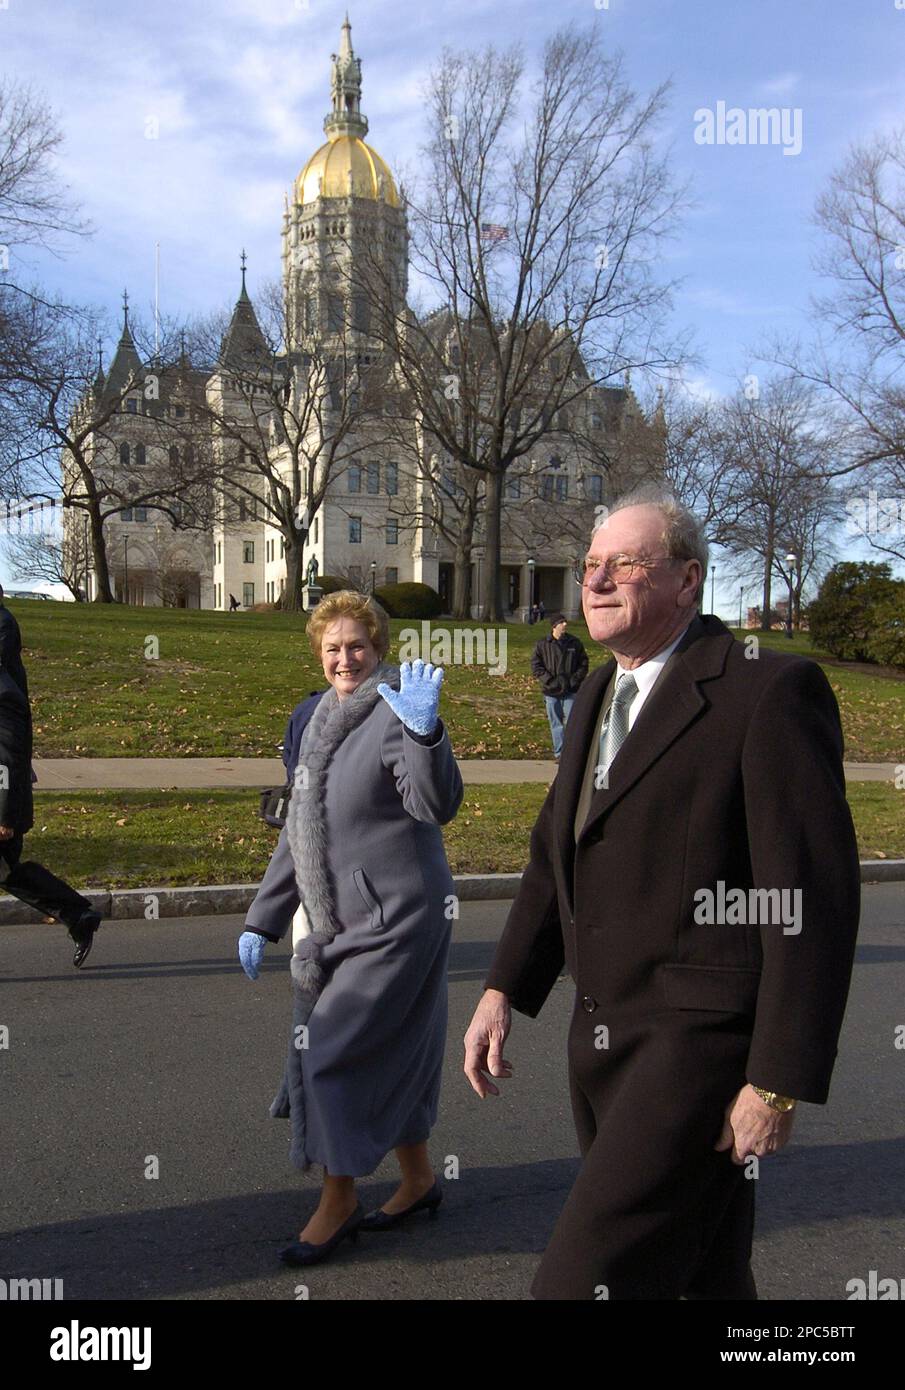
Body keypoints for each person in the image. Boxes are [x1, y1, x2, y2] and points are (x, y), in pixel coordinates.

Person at [464, 490, 861, 1300]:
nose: (598, 581)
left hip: (696, 1058)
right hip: (601, 1043)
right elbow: (555, 853)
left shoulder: (767, 691)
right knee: (703, 1272)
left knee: (585, 1278)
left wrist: (776, 1079)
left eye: (624, 565)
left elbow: (810, 898)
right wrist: (505, 986)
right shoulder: (597, 697)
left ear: (687, 581)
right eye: (590, 567)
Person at [238, 591, 463, 1266]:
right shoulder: (317, 719)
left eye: (356, 646)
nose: (344, 658)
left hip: (400, 917)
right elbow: (298, 833)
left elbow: (434, 804)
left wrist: (426, 735)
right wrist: (262, 919)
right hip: (340, 919)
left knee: (329, 1049)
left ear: (378, 648)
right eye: (332, 648)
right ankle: (419, 1179)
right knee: (397, 1049)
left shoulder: (397, 711)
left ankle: (337, 1201)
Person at [0, 645, 101, 969]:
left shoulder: (4, 696)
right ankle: (78, 915)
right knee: (12, 873)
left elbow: (9, 760)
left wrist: (5, 816)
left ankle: (78, 914)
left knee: (11, 871)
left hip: (4, 805)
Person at [530, 614, 588, 759]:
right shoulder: (543, 644)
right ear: (554, 626)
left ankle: (572, 754)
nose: (565, 625)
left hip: (570, 690)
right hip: (551, 692)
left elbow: (583, 663)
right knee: (556, 723)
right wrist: (550, 681)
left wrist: (574, 680)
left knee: (573, 723)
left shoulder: (574, 643)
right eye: (561, 622)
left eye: (565, 622)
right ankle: (560, 753)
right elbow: (536, 666)